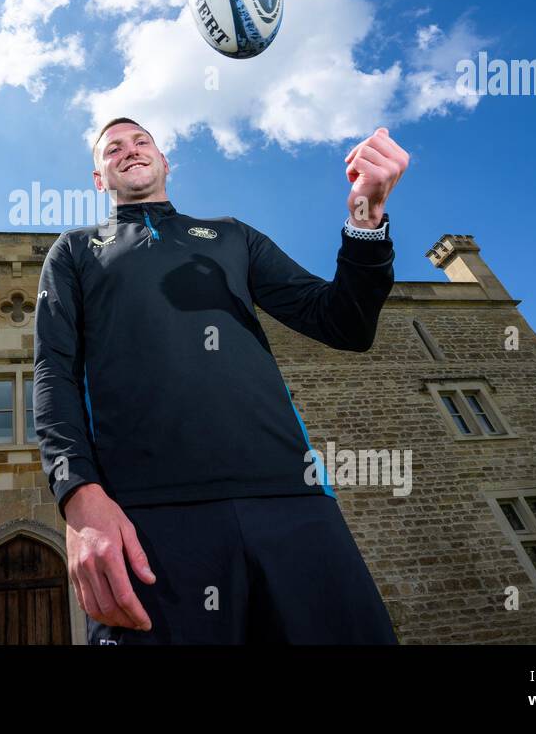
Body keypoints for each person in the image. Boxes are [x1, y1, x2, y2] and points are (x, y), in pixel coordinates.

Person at [32, 117, 410, 644]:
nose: (130, 151)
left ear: (166, 161)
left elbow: (343, 323)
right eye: (113, 148)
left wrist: (366, 214)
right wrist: (79, 497)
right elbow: (54, 373)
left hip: (292, 500)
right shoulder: (74, 251)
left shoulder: (233, 236)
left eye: (142, 142)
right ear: (99, 178)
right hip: (149, 520)